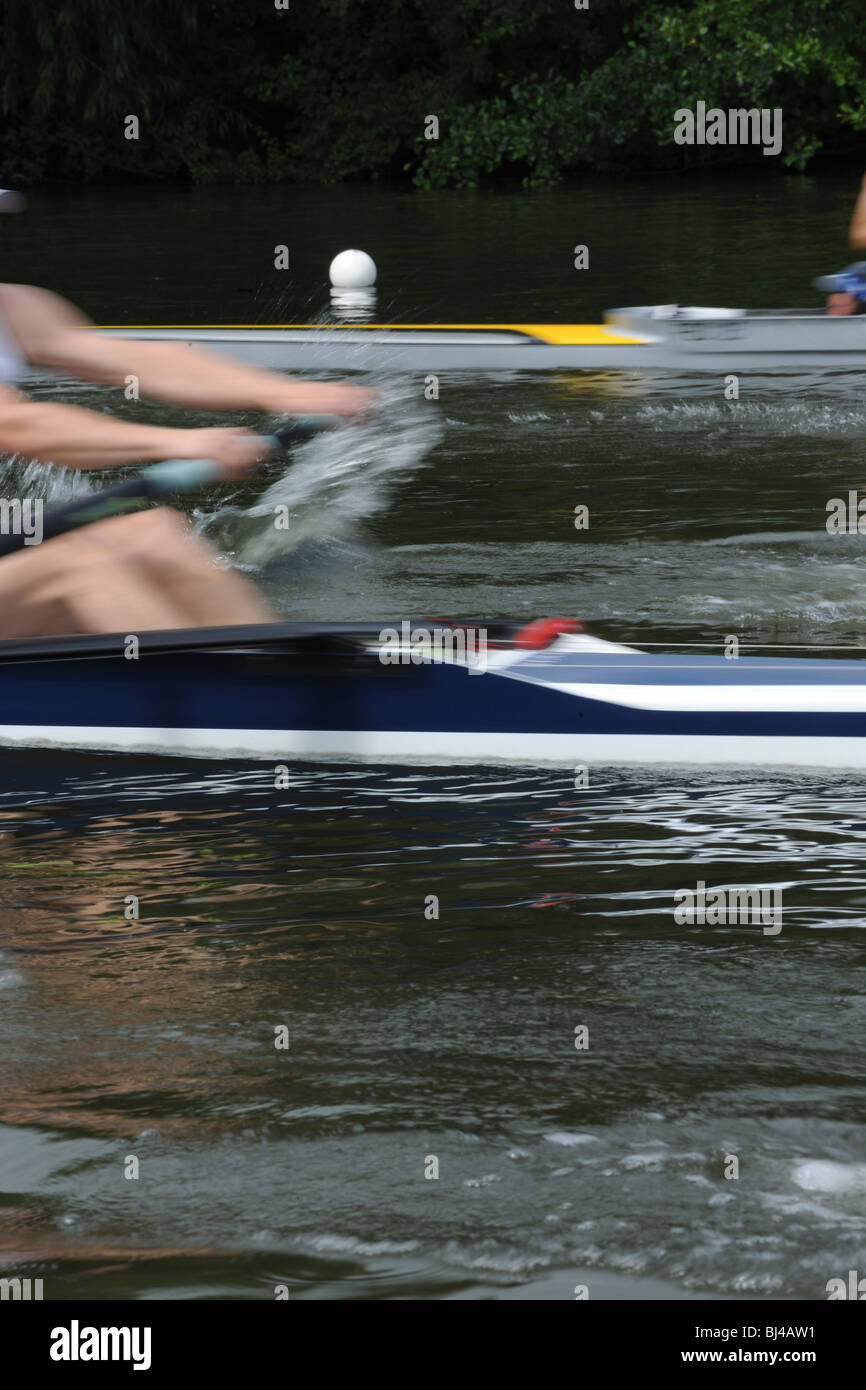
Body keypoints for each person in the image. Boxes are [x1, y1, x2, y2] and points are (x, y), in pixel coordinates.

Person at [0, 263, 373, 639]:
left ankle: (267, 668)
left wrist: (284, 393)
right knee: (80, 567)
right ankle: (216, 689)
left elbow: (143, 362)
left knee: (157, 533)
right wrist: (179, 442)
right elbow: (15, 425)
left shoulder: (13, 307)